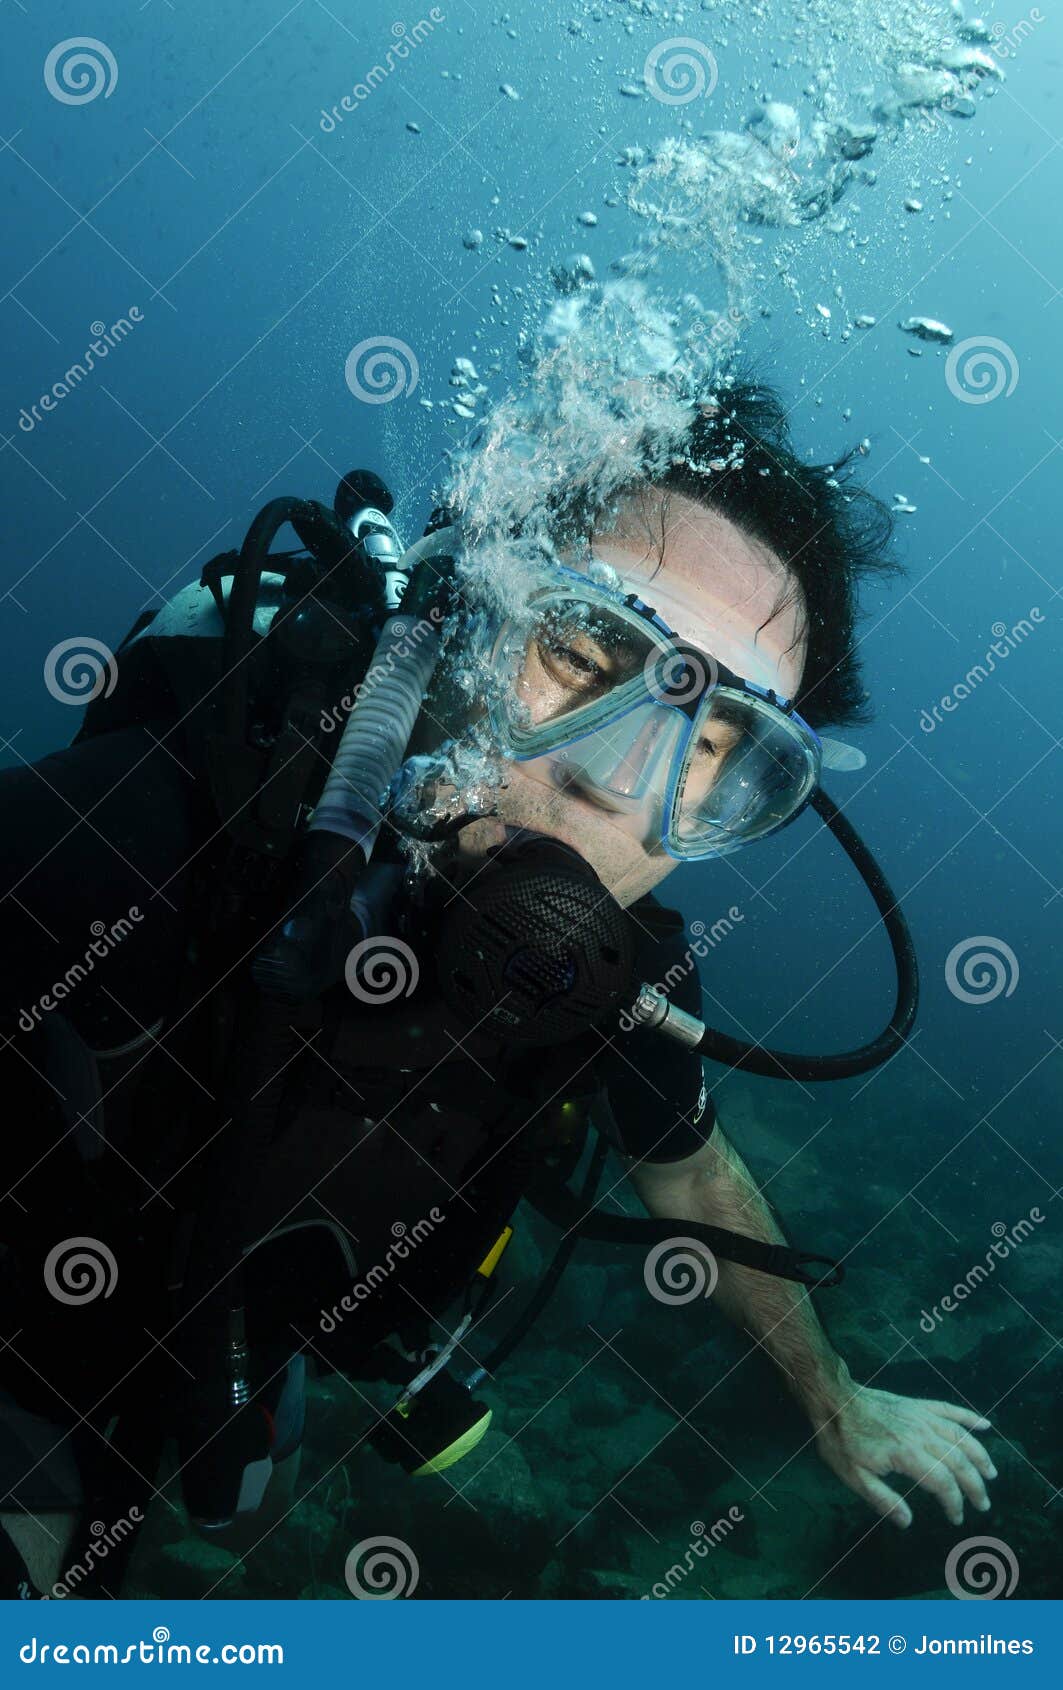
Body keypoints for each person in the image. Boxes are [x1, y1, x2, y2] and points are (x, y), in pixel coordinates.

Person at [0, 383, 996, 1599]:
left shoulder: (622, 984)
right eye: (578, 654)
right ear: (468, 627)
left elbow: (692, 1173)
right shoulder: (168, 832)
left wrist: (835, 1401)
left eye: (721, 748)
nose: (618, 783)